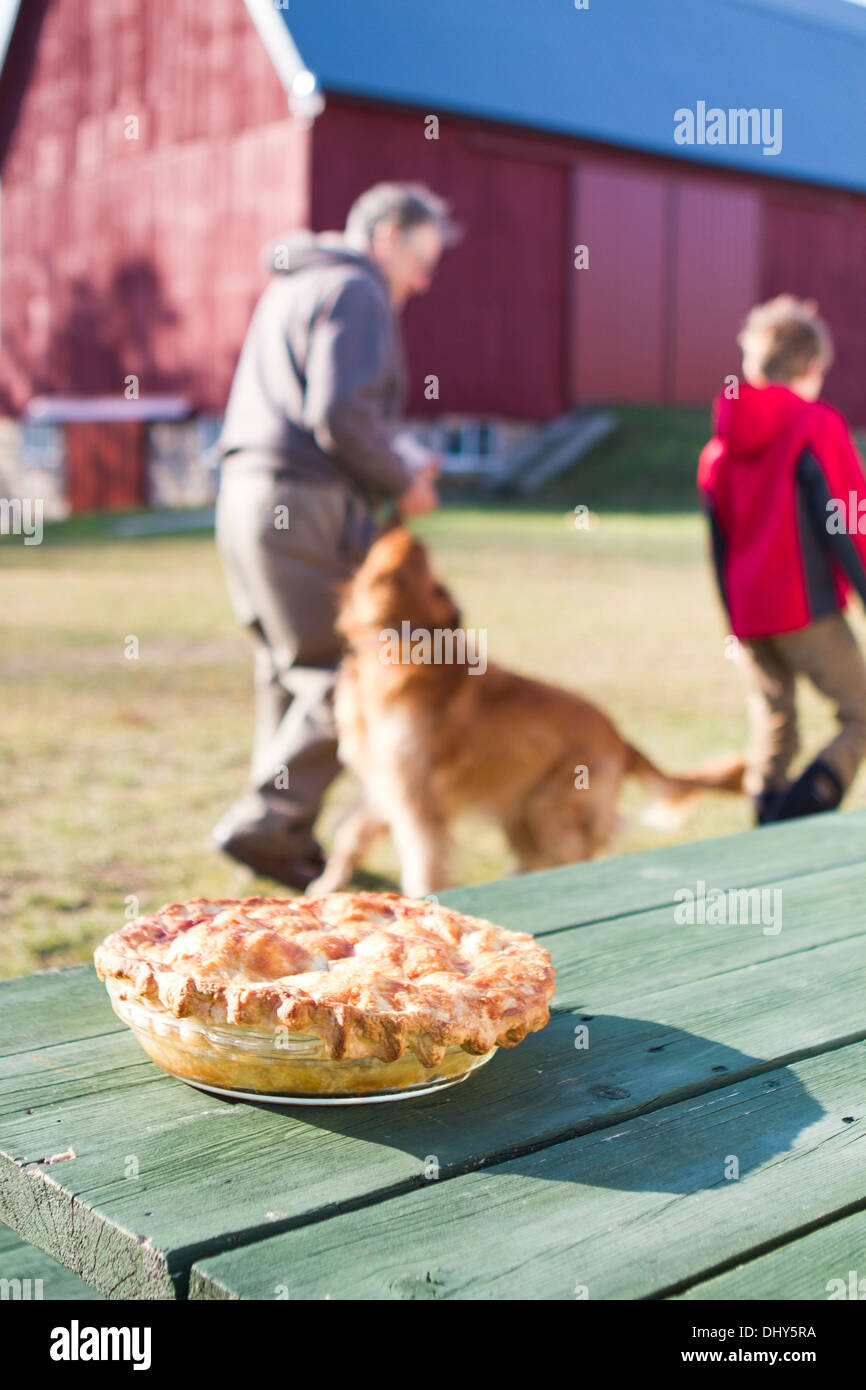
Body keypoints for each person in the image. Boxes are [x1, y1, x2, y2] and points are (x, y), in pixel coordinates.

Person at [211, 183, 460, 887]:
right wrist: (402, 480)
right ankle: (264, 824)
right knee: (340, 671)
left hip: (247, 496)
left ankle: (283, 836)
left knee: (285, 669)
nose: (424, 279)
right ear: (386, 236)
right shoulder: (358, 289)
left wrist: (397, 456)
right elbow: (340, 415)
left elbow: (322, 408)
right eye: (421, 259)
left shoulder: (302, 282)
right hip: (305, 501)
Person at [698, 295, 866, 825]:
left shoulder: (718, 450)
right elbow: (845, 517)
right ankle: (783, 829)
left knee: (777, 726)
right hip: (804, 608)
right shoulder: (815, 424)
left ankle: (761, 830)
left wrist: (736, 620)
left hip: (750, 615)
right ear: (812, 366)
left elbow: (719, 544)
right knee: (862, 714)